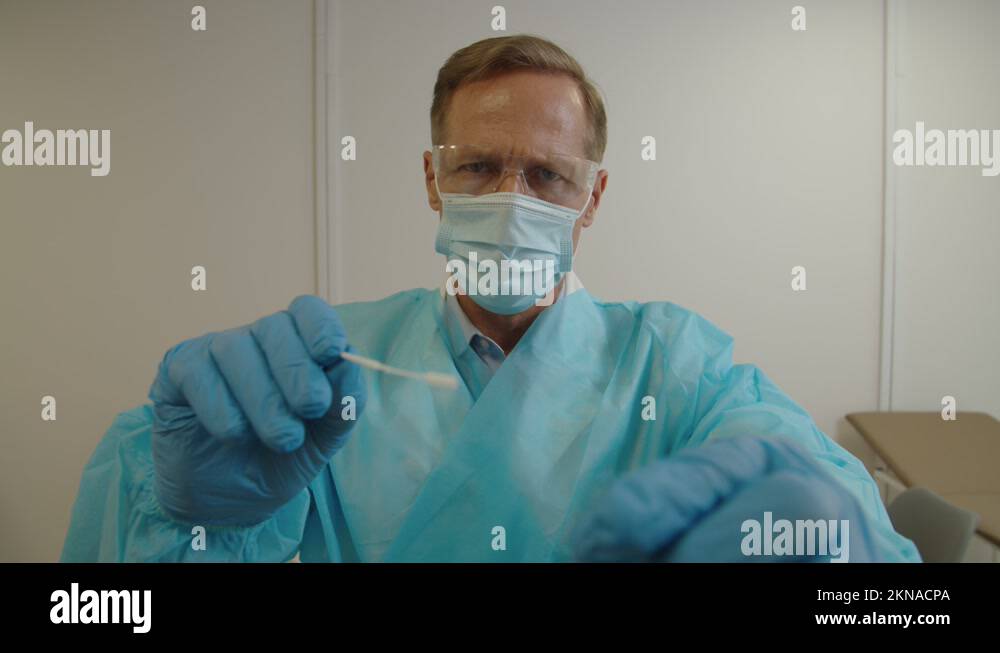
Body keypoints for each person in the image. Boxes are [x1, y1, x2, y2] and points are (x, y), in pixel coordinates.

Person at [61, 35, 919, 563]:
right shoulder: (325, 370)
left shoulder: (678, 367)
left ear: (593, 197)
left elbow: (859, 549)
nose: (513, 195)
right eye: (477, 166)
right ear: (433, 180)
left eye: (549, 174)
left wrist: (821, 542)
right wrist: (184, 520)